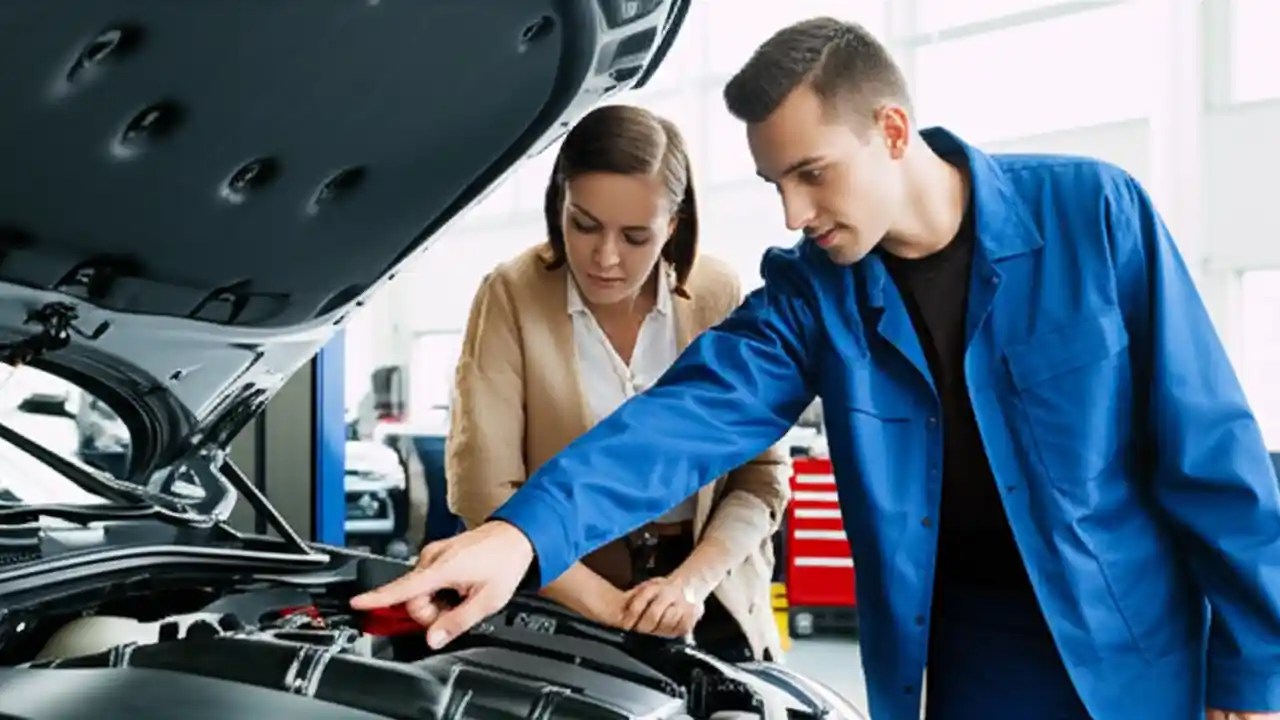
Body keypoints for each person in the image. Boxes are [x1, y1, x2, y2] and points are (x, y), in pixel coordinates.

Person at [352, 17, 1280, 720]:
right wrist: (522, 535)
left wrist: (1254, 670)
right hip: (967, 660)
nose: (794, 214)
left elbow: (1209, 451)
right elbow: (683, 419)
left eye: (812, 173)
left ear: (891, 129)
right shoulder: (814, 293)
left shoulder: (1095, 216)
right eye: (776, 184)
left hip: (1138, 647)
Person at [440, 103, 791, 661]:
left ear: (672, 225)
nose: (605, 257)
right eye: (584, 225)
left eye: (635, 236)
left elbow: (760, 477)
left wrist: (689, 585)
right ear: (559, 202)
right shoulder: (510, 294)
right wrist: (609, 607)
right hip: (564, 599)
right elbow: (484, 491)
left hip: (712, 597)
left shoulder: (717, 291)